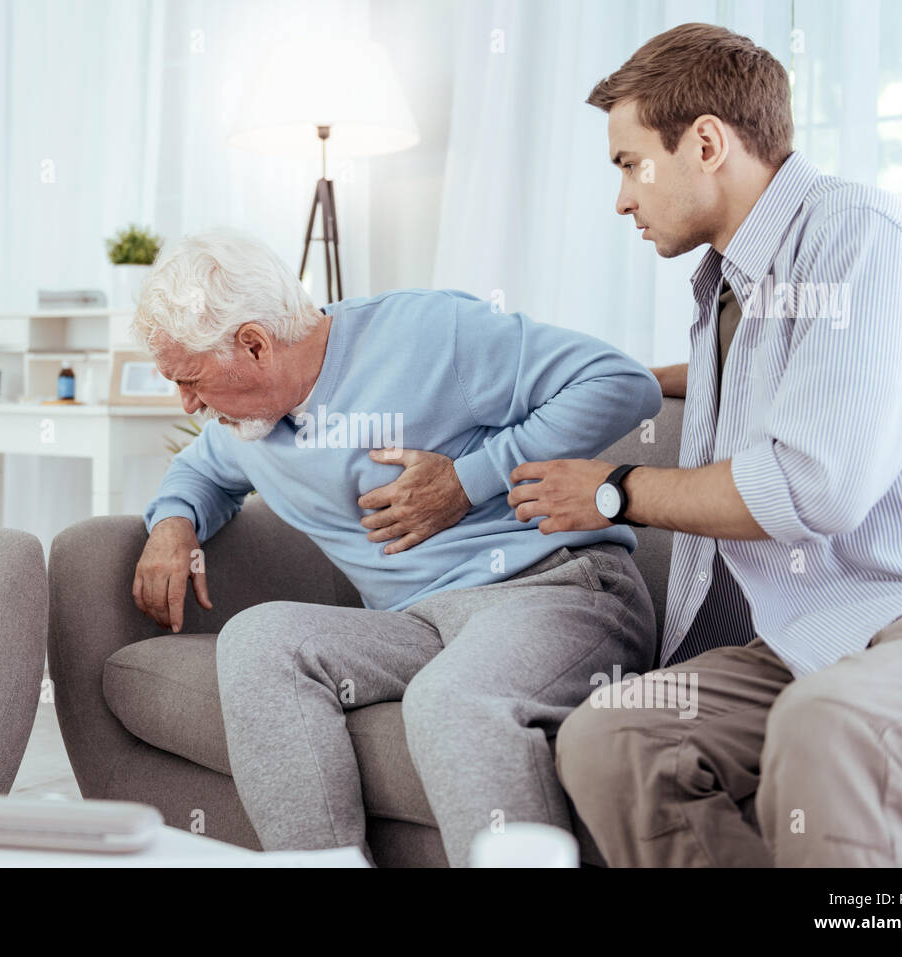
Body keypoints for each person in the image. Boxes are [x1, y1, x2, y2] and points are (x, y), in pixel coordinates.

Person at [524, 23, 902, 866]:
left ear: (705, 142)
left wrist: (613, 489)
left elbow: (816, 486)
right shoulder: (728, 288)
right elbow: (769, 373)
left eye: (631, 163)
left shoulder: (861, 238)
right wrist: (642, 378)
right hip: (815, 637)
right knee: (612, 735)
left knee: (830, 728)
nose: (624, 199)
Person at [130, 228, 661, 866]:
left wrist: (468, 482)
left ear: (253, 345)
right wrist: (172, 525)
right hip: (419, 625)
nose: (187, 404)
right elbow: (201, 472)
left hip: (554, 589)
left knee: (451, 701)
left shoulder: (430, 333)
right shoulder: (248, 421)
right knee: (258, 641)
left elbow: (621, 384)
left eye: (191, 381)